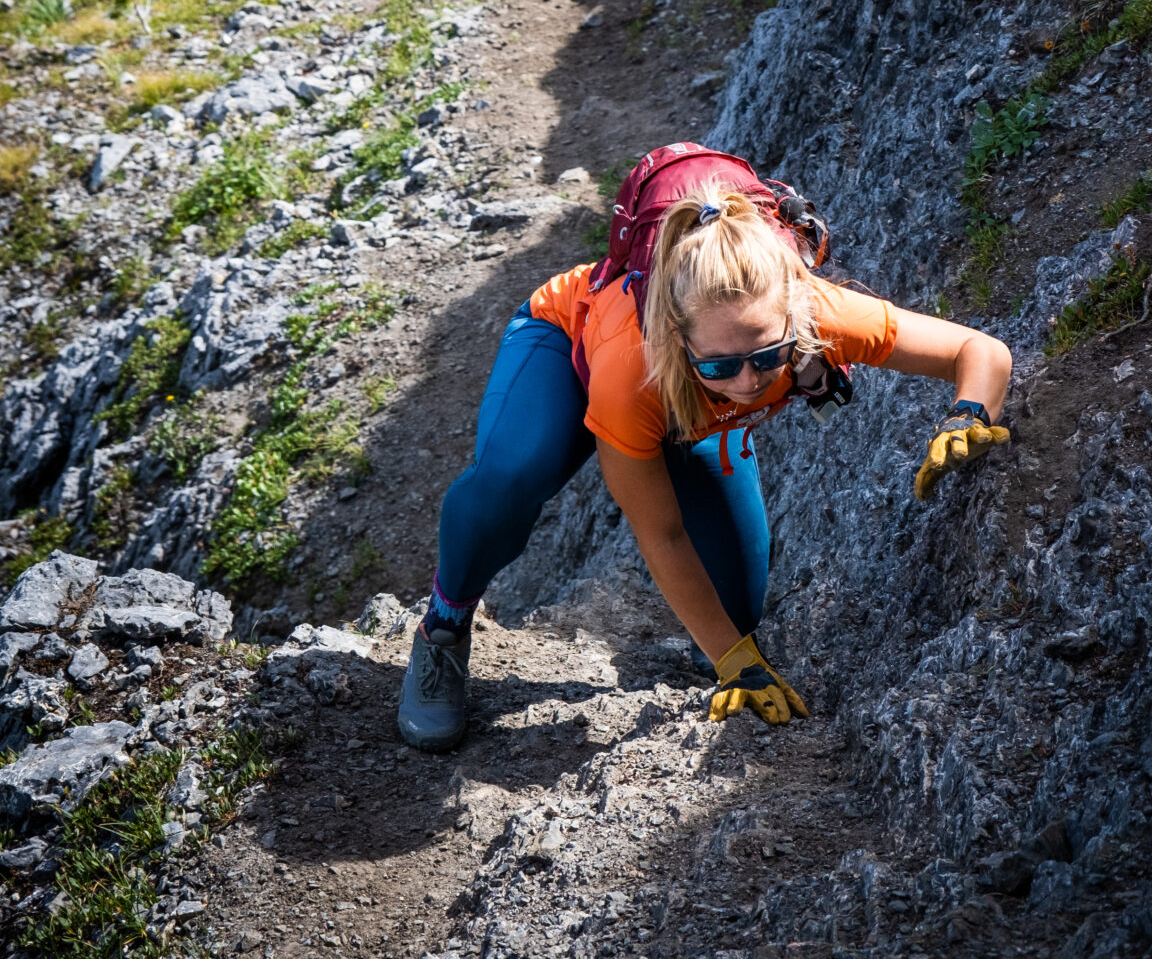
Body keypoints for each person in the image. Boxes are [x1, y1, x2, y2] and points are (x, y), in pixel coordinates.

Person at [397, 163, 1012, 751]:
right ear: (677, 335)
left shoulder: (815, 312)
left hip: (691, 412)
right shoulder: (631, 370)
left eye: (768, 357)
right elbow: (660, 534)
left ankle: (716, 643)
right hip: (568, 346)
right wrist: (735, 665)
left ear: (792, 317)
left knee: (735, 610)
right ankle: (444, 629)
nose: (748, 382)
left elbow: (978, 351)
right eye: (721, 364)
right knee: (514, 475)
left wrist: (970, 414)